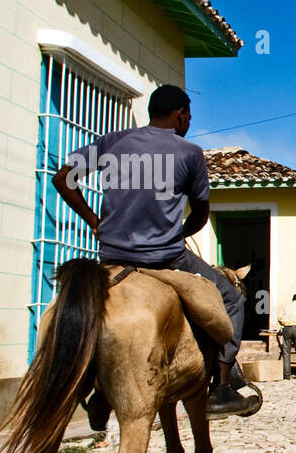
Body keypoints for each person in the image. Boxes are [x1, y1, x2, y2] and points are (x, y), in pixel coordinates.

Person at [52, 84, 258, 419]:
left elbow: (62, 179)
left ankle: (99, 390)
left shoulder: (109, 142)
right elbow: (201, 214)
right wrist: (182, 231)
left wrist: (95, 222)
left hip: (112, 255)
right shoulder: (190, 153)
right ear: (179, 115)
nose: (188, 122)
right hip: (165, 257)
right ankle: (220, 389)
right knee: (232, 298)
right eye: (188, 116)